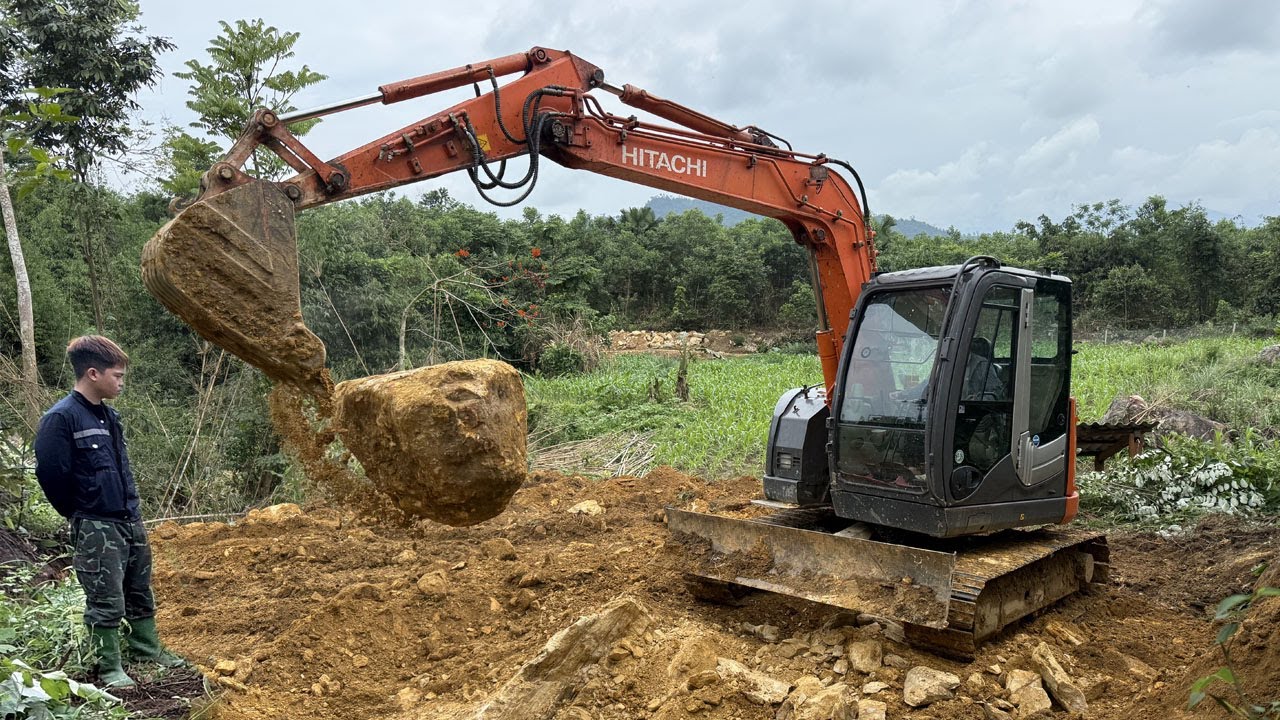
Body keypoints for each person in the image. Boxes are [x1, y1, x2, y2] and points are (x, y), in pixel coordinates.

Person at [34, 336, 183, 688]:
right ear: (92, 373)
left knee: (139, 589)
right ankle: (110, 666)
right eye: (116, 375)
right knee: (106, 598)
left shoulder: (109, 417)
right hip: (96, 524)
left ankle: (147, 648)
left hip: (129, 519)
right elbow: (52, 474)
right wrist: (80, 513)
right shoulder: (61, 418)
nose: (121, 382)